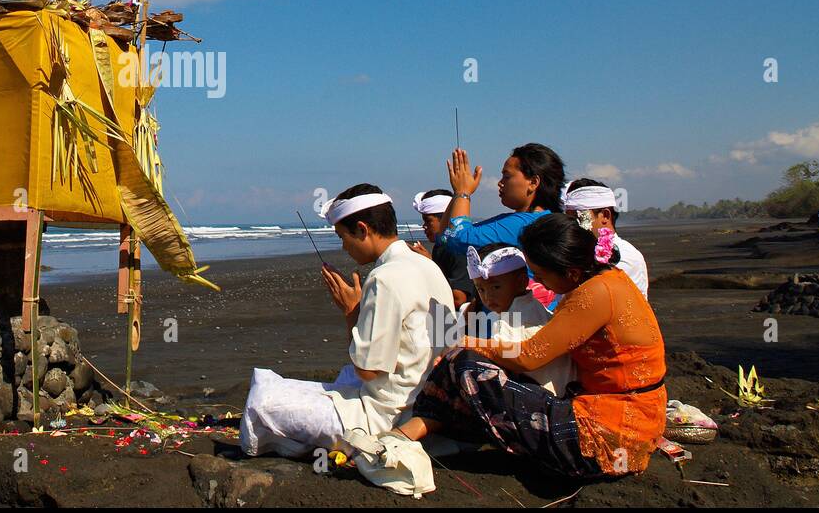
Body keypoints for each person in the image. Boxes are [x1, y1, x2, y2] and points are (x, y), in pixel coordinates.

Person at [396, 213, 667, 477]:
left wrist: (471, 344)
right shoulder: (607, 279)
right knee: (468, 364)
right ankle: (414, 433)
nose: (538, 281)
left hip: (612, 432)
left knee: (467, 364)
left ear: (571, 273)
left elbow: (528, 356)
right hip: (630, 417)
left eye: (539, 274)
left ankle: (408, 434)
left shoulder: (594, 293)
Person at [239, 184, 455, 458]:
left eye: (343, 237)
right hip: (428, 403)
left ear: (363, 230)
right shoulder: (427, 265)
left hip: (388, 414)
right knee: (277, 383)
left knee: (263, 401)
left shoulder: (385, 278)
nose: (344, 247)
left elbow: (369, 370)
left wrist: (352, 311)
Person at [433, 143, 567, 305]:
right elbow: (445, 238)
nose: (500, 182)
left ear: (533, 182)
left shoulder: (523, 224)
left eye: (507, 176)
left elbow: (457, 238)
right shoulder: (543, 219)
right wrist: (459, 194)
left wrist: (463, 192)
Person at [455, 244, 573, 396]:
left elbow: (500, 361)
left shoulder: (511, 321)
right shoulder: (536, 309)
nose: (487, 297)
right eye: (481, 289)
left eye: (496, 287)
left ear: (521, 281)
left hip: (543, 400)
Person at [563, 178, 649, 297]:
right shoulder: (581, 252)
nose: (572, 226)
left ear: (605, 215)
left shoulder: (625, 257)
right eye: (569, 220)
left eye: (579, 218)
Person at [410, 189, 475, 306]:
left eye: (428, 221)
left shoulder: (457, 249)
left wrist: (429, 264)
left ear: (445, 219)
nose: (424, 226)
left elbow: (458, 299)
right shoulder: (440, 247)